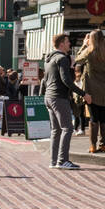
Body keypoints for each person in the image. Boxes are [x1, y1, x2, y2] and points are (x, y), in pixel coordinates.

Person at [44, 33, 91, 169]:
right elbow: (66, 80)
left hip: (49, 97)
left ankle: (54, 161)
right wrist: (83, 94)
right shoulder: (62, 59)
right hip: (59, 97)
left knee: (56, 130)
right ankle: (62, 160)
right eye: (67, 42)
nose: (69, 44)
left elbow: (45, 80)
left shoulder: (49, 59)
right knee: (67, 128)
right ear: (61, 44)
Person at [74, 30, 105, 153]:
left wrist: (84, 45)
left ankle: (93, 145)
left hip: (91, 90)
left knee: (93, 118)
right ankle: (103, 144)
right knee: (104, 118)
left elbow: (77, 60)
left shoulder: (89, 52)